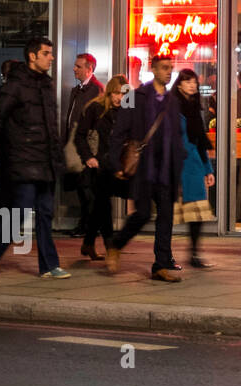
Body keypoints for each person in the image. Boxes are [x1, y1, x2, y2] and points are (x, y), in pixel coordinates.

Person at [0, 38, 70, 279]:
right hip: (24, 160)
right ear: (32, 56)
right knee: (20, 211)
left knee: (45, 214)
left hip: (46, 161)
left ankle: (49, 266)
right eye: (46, 53)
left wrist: (58, 158)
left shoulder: (47, 84)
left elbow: (52, 127)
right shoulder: (14, 86)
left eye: (51, 53)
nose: (51, 58)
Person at [105, 54, 184, 282]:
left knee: (166, 217)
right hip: (144, 168)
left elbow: (176, 135)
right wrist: (114, 163)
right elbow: (118, 132)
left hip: (166, 169)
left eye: (171, 68)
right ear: (154, 70)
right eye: (164, 68)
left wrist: (178, 165)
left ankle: (160, 265)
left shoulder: (172, 100)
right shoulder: (134, 96)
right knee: (142, 214)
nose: (169, 72)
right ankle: (116, 244)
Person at [74, 74, 130, 262]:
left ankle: (89, 243)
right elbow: (80, 136)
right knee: (103, 205)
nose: (119, 98)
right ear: (109, 92)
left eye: (123, 94)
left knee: (100, 205)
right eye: (116, 93)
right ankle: (109, 246)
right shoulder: (95, 108)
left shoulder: (127, 111)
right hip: (98, 166)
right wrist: (88, 157)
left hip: (117, 165)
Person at [173, 68, 216, 269]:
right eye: (187, 81)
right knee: (169, 213)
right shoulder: (172, 106)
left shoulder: (195, 108)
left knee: (197, 214)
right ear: (179, 84)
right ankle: (165, 254)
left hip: (194, 166)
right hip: (176, 164)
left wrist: (208, 170)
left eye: (194, 82)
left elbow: (200, 141)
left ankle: (194, 253)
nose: (192, 85)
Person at [63, 52, 103, 249]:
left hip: (87, 147)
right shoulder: (77, 90)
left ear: (89, 69)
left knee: (87, 189)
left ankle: (88, 226)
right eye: (75, 65)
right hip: (75, 144)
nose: (74, 69)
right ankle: (86, 225)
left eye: (78, 66)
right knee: (81, 187)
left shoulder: (96, 89)